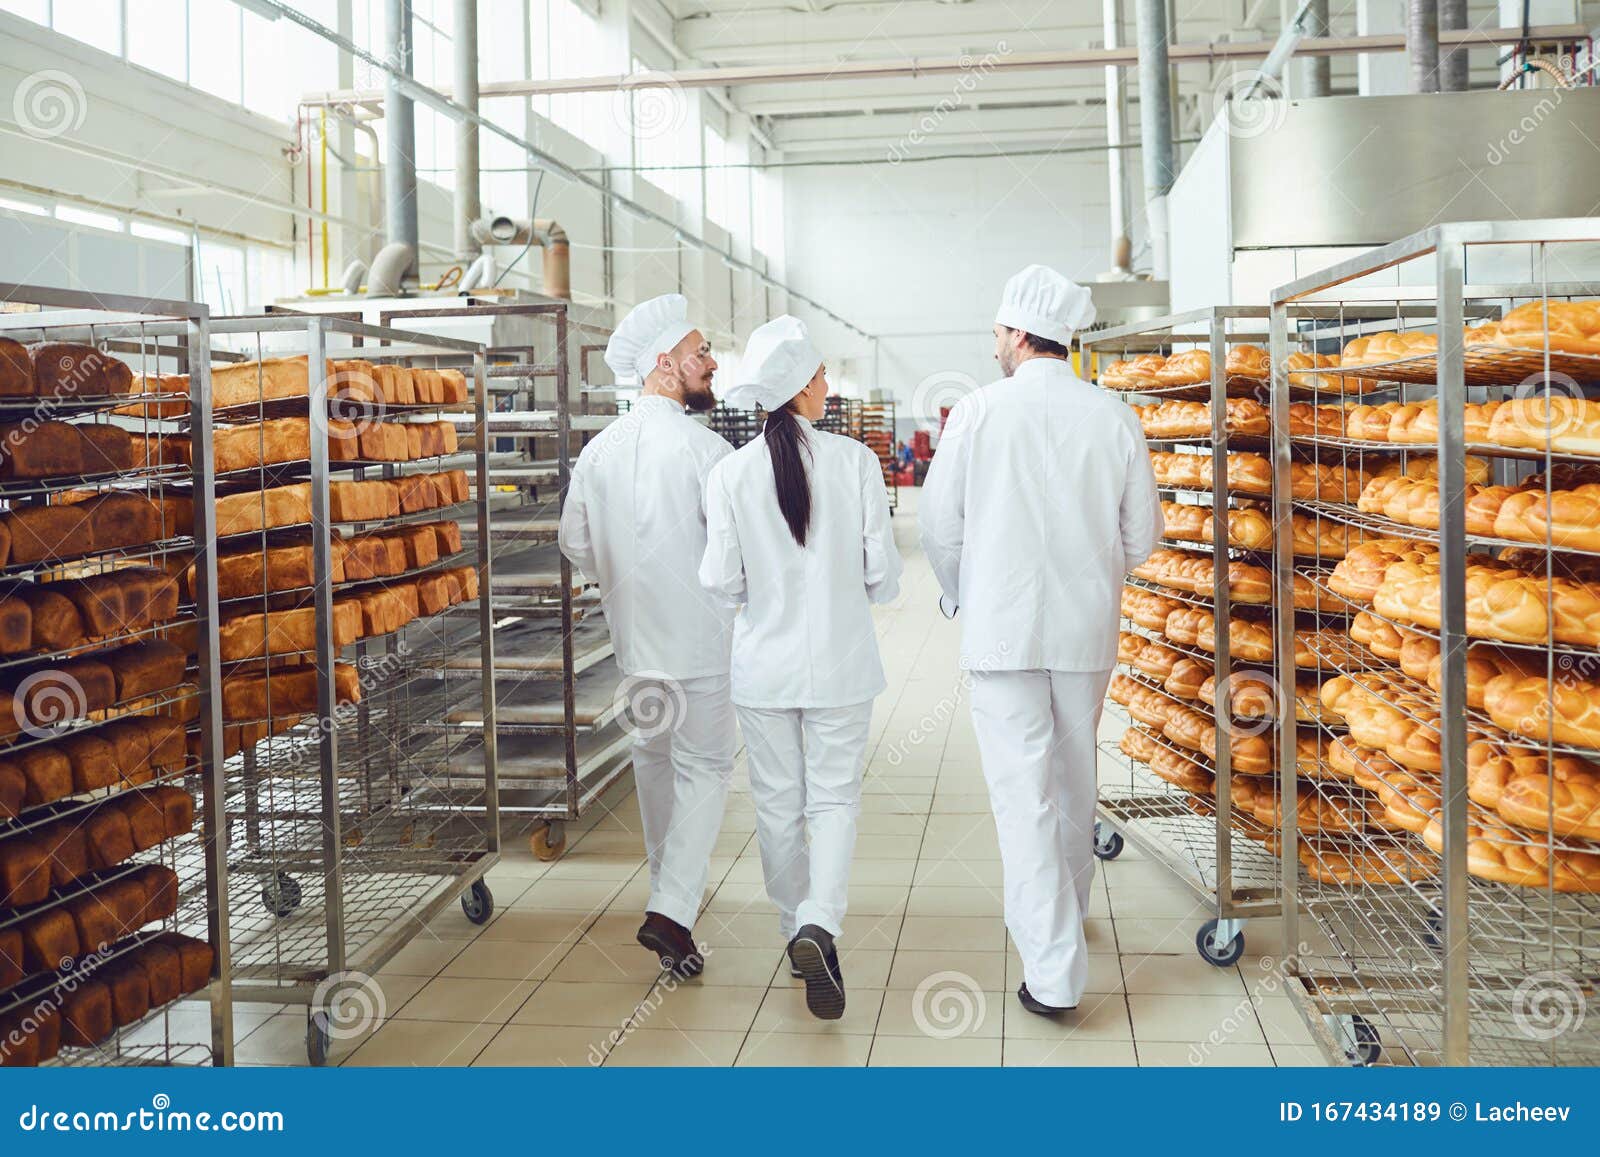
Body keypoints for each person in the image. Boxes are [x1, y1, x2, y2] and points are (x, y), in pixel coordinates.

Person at [918, 265, 1162, 1015]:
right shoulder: (1113, 415)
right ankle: (1062, 913)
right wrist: (1097, 572)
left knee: (1020, 795)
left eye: (996, 332)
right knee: (1072, 782)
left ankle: (1053, 970)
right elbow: (1145, 536)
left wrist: (966, 591)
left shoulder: (978, 413)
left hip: (1001, 634)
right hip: (1084, 633)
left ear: (1019, 334)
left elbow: (939, 526)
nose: (993, 343)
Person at [699, 316, 902, 1020]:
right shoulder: (855, 463)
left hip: (763, 670)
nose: (825, 384)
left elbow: (721, 581)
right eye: (819, 374)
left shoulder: (729, 473)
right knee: (835, 800)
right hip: (842, 666)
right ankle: (821, 920)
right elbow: (883, 577)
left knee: (779, 806)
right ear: (803, 388)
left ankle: (795, 931)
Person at [558, 293, 736, 977]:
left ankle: (673, 898)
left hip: (635, 649)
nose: (710, 362)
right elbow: (733, 548)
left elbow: (574, 542)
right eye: (700, 353)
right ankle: (671, 907)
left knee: (656, 767)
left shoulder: (600, 451)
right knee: (707, 769)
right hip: (698, 647)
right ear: (664, 364)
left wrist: (623, 579)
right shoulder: (706, 448)